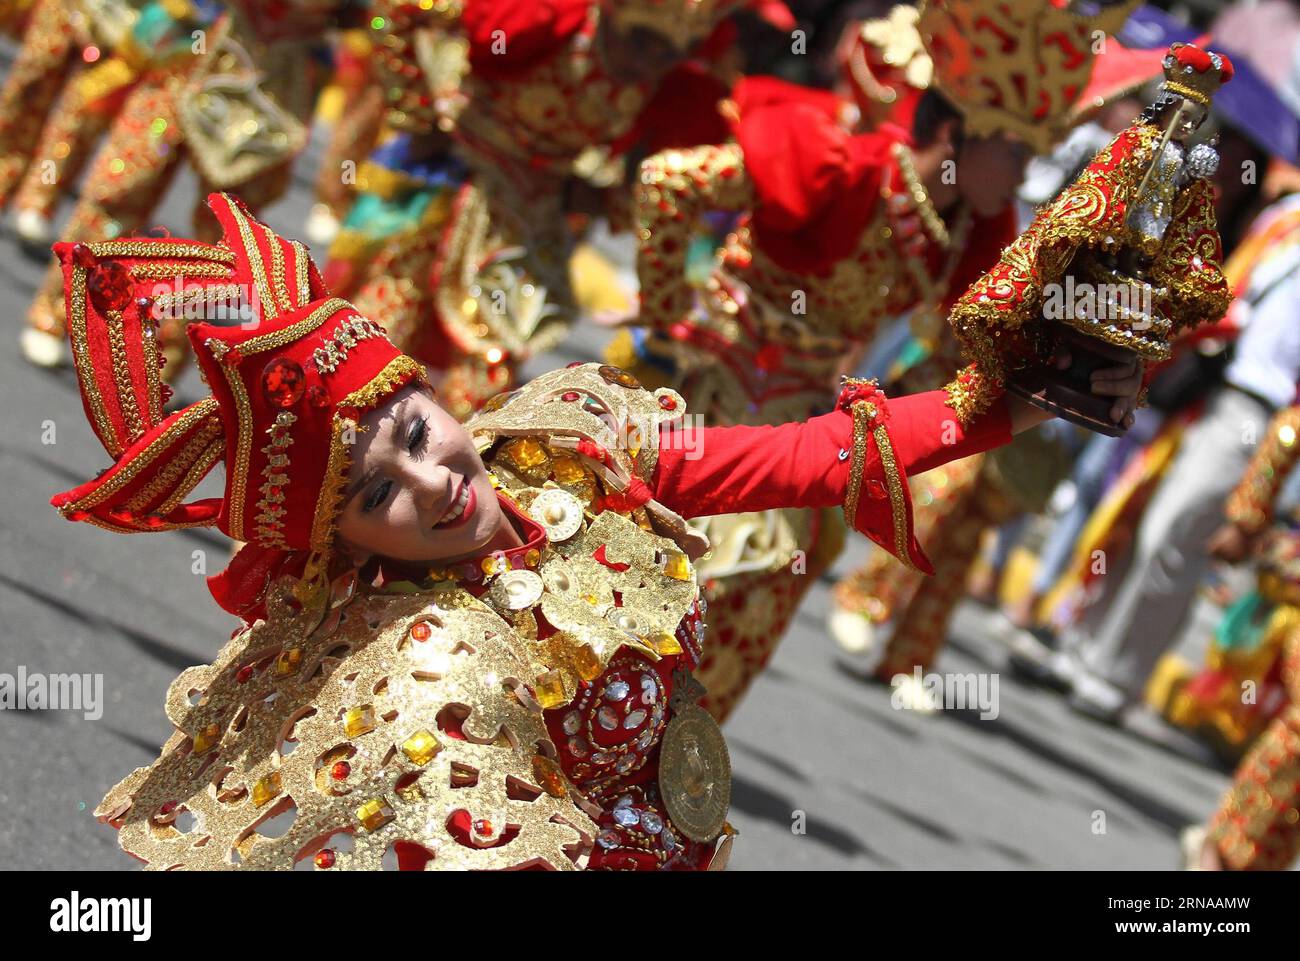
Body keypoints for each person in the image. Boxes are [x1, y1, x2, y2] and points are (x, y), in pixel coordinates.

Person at [50, 193, 1141, 869]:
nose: (432, 481)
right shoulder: (425, 668)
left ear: (434, 393)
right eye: (378, 494)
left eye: (419, 430)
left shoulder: (560, 450)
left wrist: (1009, 402)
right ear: (341, 546)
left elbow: (808, 455)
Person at [620, 0, 1145, 721]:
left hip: (803, 416)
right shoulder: (842, 165)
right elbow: (668, 185)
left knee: (773, 574)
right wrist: (664, 323)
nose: (1024, 177)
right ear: (962, 131)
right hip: (712, 384)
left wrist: (1076, 365)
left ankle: (671, 766)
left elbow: (965, 366)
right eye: (1017, 154)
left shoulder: (964, 232)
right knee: (677, 570)